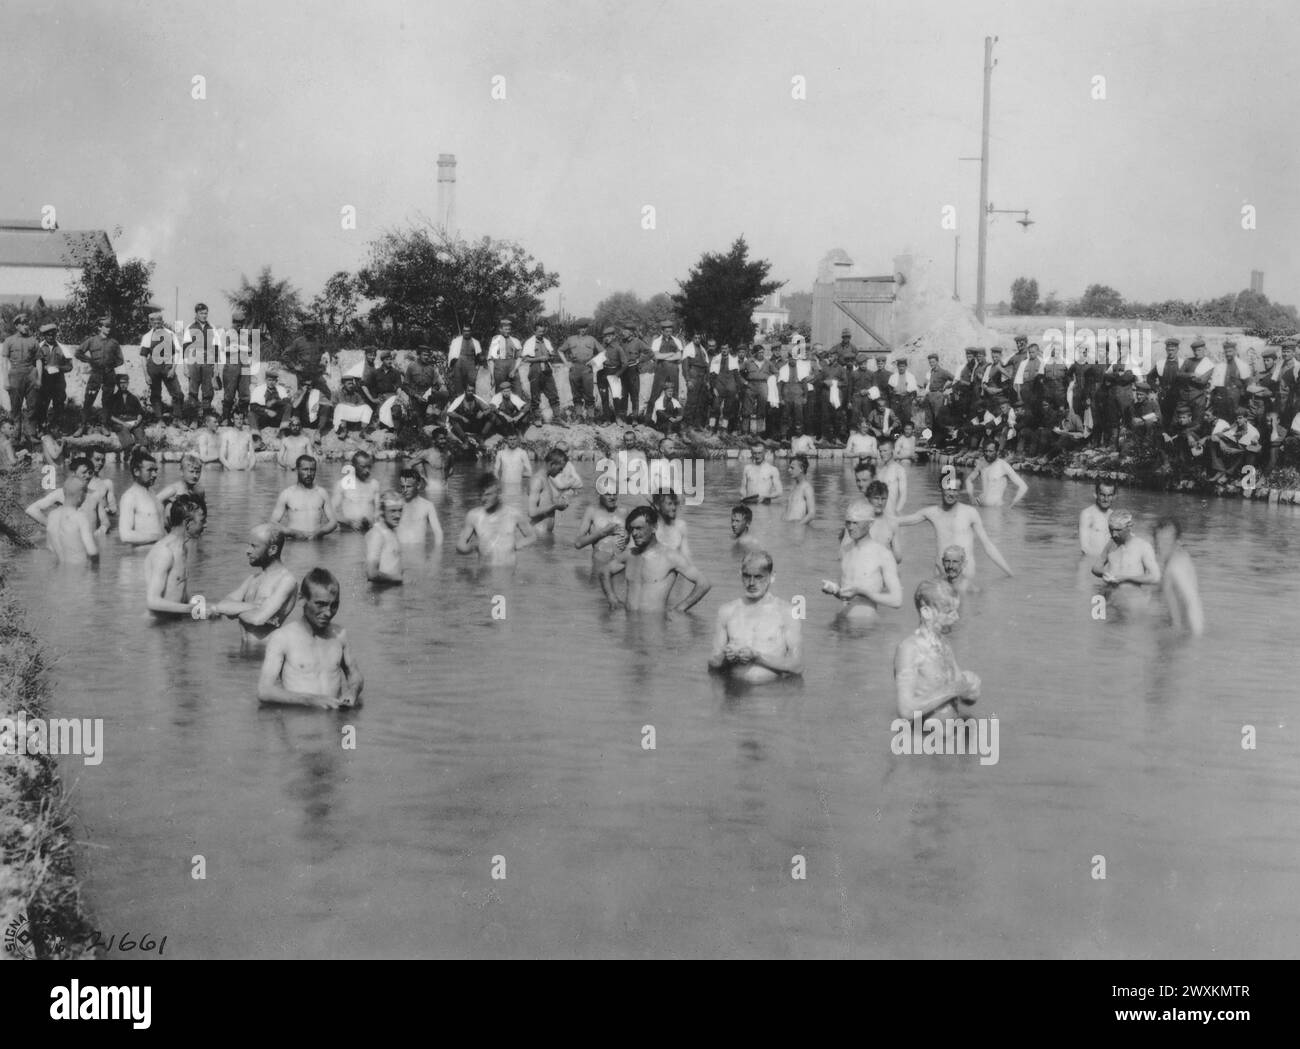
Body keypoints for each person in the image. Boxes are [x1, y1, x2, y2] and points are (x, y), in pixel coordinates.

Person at [257, 568, 364, 709]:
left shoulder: (339, 635)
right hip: (301, 723)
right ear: (302, 599)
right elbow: (264, 691)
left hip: (334, 723)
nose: (328, 612)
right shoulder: (282, 637)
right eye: (321, 604)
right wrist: (310, 700)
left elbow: (355, 676)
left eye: (334, 605)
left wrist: (352, 692)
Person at [707, 551, 804, 683]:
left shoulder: (788, 612)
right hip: (735, 696)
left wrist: (757, 657)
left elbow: (797, 666)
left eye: (759, 577)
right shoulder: (726, 611)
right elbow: (713, 664)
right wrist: (725, 658)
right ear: (740, 575)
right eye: (747, 576)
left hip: (771, 696)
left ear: (772, 577)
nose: (751, 583)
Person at [897, 472, 1014, 580]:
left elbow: (988, 546)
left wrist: (1010, 574)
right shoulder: (931, 513)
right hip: (941, 575)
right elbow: (898, 522)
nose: (951, 493)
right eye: (948, 489)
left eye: (955, 489)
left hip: (965, 575)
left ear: (959, 491)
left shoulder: (970, 513)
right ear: (941, 488)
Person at [893, 580, 981, 721]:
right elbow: (905, 710)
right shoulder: (909, 649)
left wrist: (971, 690)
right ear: (926, 612)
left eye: (956, 611)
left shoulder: (944, 644)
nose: (956, 617)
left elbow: (961, 693)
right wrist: (954, 689)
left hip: (949, 736)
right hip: (922, 739)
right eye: (949, 612)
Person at [599, 505, 711, 614]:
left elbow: (704, 583)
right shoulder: (629, 555)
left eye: (639, 528)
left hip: (654, 628)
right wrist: (612, 599)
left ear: (654, 527)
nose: (634, 533)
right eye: (631, 529)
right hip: (629, 628)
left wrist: (680, 609)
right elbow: (604, 571)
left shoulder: (671, 557)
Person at [210, 524, 299, 643]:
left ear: (272, 550)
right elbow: (222, 606)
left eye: (254, 546)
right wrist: (256, 606)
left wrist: (234, 610)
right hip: (245, 655)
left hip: (266, 655)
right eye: (248, 545)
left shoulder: (286, 581)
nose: (247, 551)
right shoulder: (253, 579)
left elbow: (258, 619)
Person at [823, 499, 902, 622]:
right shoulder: (845, 550)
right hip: (841, 619)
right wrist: (834, 590)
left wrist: (863, 592)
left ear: (870, 524)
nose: (850, 527)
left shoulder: (883, 554)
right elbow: (845, 594)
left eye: (855, 523)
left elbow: (897, 600)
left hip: (865, 625)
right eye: (848, 522)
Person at [143, 496, 207, 615]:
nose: (205, 525)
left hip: (173, 625)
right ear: (187, 523)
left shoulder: (183, 548)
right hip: (157, 628)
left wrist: (201, 612)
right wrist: (192, 610)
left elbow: (178, 593)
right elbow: (152, 601)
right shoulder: (164, 552)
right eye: (202, 521)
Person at [456, 472, 536, 567]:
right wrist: (473, 547)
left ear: (498, 492)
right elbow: (460, 545)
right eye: (480, 495)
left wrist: (516, 545)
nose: (483, 499)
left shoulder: (513, 514)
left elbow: (532, 537)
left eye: (488, 494)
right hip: (484, 575)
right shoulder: (474, 516)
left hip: (508, 576)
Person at [1090, 509, 1161, 605]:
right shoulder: (1111, 544)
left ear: (1129, 527)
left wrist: (1126, 578)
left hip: (1133, 603)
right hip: (1110, 600)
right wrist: (1105, 573)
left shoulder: (1143, 546)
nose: (1114, 534)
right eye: (1111, 529)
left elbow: (1155, 577)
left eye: (1118, 530)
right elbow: (1095, 568)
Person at [1153, 517, 1204, 637]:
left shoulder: (1176, 567)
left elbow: (1192, 601)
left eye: (1166, 541)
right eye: (1158, 541)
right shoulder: (1176, 559)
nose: (1160, 546)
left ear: (1177, 542)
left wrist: (1196, 640)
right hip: (1176, 631)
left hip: (1180, 637)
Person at [271, 455, 339, 540]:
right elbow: (273, 523)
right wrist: (293, 533)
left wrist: (319, 532)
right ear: (297, 470)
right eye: (305, 469)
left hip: (316, 543)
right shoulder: (287, 494)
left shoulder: (321, 493)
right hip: (294, 543)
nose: (309, 473)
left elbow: (333, 522)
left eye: (312, 470)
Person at [140, 310, 184, 422]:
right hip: (153, 367)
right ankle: (159, 418)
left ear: (162, 322)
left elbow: (177, 352)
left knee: (177, 393)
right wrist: (146, 374)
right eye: (154, 323)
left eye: (159, 323)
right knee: (155, 394)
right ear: (151, 324)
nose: (157, 325)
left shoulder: (170, 334)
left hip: (167, 367)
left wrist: (173, 369)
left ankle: (177, 419)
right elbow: (143, 356)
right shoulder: (147, 336)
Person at [44, 474, 99, 564]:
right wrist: (97, 575)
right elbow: (92, 551)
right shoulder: (79, 517)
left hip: (60, 573)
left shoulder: (52, 516)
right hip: (80, 573)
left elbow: (50, 547)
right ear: (81, 495)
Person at [3, 313, 41, 441]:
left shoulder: (33, 340)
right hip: (15, 375)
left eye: (27, 323)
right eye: (23, 324)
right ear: (17, 325)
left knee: (32, 406)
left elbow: (39, 360)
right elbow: (4, 362)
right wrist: (5, 379)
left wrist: (39, 378)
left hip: (30, 374)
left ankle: (30, 434)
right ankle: (16, 435)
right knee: (15, 406)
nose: (26, 326)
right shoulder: (9, 341)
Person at [118, 449, 166, 546]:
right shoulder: (130, 497)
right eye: (150, 470)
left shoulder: (152, 493)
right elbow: (125, 535)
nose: (154, 474)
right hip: (140, 559)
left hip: (158, 555)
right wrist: (158, 537)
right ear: (136, 471)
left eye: (156, 470)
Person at [574, 487, 628, 568]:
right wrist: (603, 532)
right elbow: (578, 543)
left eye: (615, 493)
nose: (612, 497)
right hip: (600, 566)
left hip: (620, 566)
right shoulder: (592, 511)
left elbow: (635, 538)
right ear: (599, 494)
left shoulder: (623, 512)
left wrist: (627, 538)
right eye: (608, 494)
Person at [965, 439, 1029, 507]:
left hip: (995, 509)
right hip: (980, 504)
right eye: (986, 451)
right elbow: (968, 480)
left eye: (990, 451)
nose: (987, 453)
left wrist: (1012, 504)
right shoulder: (981, 464)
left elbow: (1023, 486)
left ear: (997, 452)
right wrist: (971, 497)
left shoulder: (1003, 465)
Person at [34, 321, 72, 430]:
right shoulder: (39, 347)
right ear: (44, 335)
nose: (50, 337)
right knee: (42, 404)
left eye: (53, 334)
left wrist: (59, 368)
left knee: (59, 404)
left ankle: (56, 428)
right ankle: (41, 427)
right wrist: (43, 369)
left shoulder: (62, 348)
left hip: (58, 381)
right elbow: (33, 364)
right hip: (44, 380)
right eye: (48, 335)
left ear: (56, 334)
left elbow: (70, 366)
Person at [528, 448, 572, 535]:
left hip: (544, 535)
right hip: (538, 535)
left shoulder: (546, 479)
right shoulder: (537, 480)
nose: (561, 472)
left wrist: (560, 505)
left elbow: (544, 504)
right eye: (560, 468)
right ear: (552, 464)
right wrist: (555, 506)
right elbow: (532, 512)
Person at [332, 450, 381, 530]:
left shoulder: (374, 484)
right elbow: (331, 512)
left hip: (369, 531)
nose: (367, 470)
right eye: (363, 467)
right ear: (353, 466)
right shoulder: (341, 484)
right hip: (349, 532)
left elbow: (378, 513)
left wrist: (373, 521)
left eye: (369, 467)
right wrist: (349, 522)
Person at [394, 468, 443, 544]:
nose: (405, 490)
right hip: (400, 552)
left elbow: (438, 533)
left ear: (418, 485)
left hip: (419, 553)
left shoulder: (427, 506)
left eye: (409, 486)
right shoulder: (396, 504)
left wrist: (436, 553)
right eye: (402, 487)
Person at [365, 492, 405, 585]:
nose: (398, 515)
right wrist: (398, 578)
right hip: (383, 596)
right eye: (393, 511)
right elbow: (371, 573)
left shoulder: (391, 530)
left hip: (392, 593)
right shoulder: (377, 534)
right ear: (382, 511)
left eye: (400, 510)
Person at [157, 452, 208, 518]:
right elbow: (153, 503)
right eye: (191, 472)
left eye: (198, 472)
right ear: (181, 472)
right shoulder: (173, 490)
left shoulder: (200, 491)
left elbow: (203, 511)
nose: (195, 476)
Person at [1079, 480, 1117, 558]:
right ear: (1095, 495)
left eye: (1109, 495)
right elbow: (1084, 548)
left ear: (1114, 496)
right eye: (1102, 495)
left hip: (1107, 563)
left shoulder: (1114, 515)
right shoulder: (1087, 514)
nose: (1106, 499)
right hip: (1090, 563)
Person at [651, 490, 692, 562]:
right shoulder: (650, 526)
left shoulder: (680, 526)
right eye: (669, 504)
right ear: (657, 505)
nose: (674, 508)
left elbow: (686, 556)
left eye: (675, 503)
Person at [875, 436, 908, 513]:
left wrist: (896, 512)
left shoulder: (899, 470)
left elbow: (903, 496)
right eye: (880, 451)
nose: (882, 454)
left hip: (892, 512)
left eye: (885, 451)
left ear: (892, 451)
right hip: (879, 513)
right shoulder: (879, 470)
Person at [784, 454, 815, 523]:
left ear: (801, 469)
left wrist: (798, 526)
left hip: (797, 530)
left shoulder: (807, 488)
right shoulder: (793, 488)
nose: (789, 470)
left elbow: (811, 514)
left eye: (792, 468)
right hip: (789, 528)